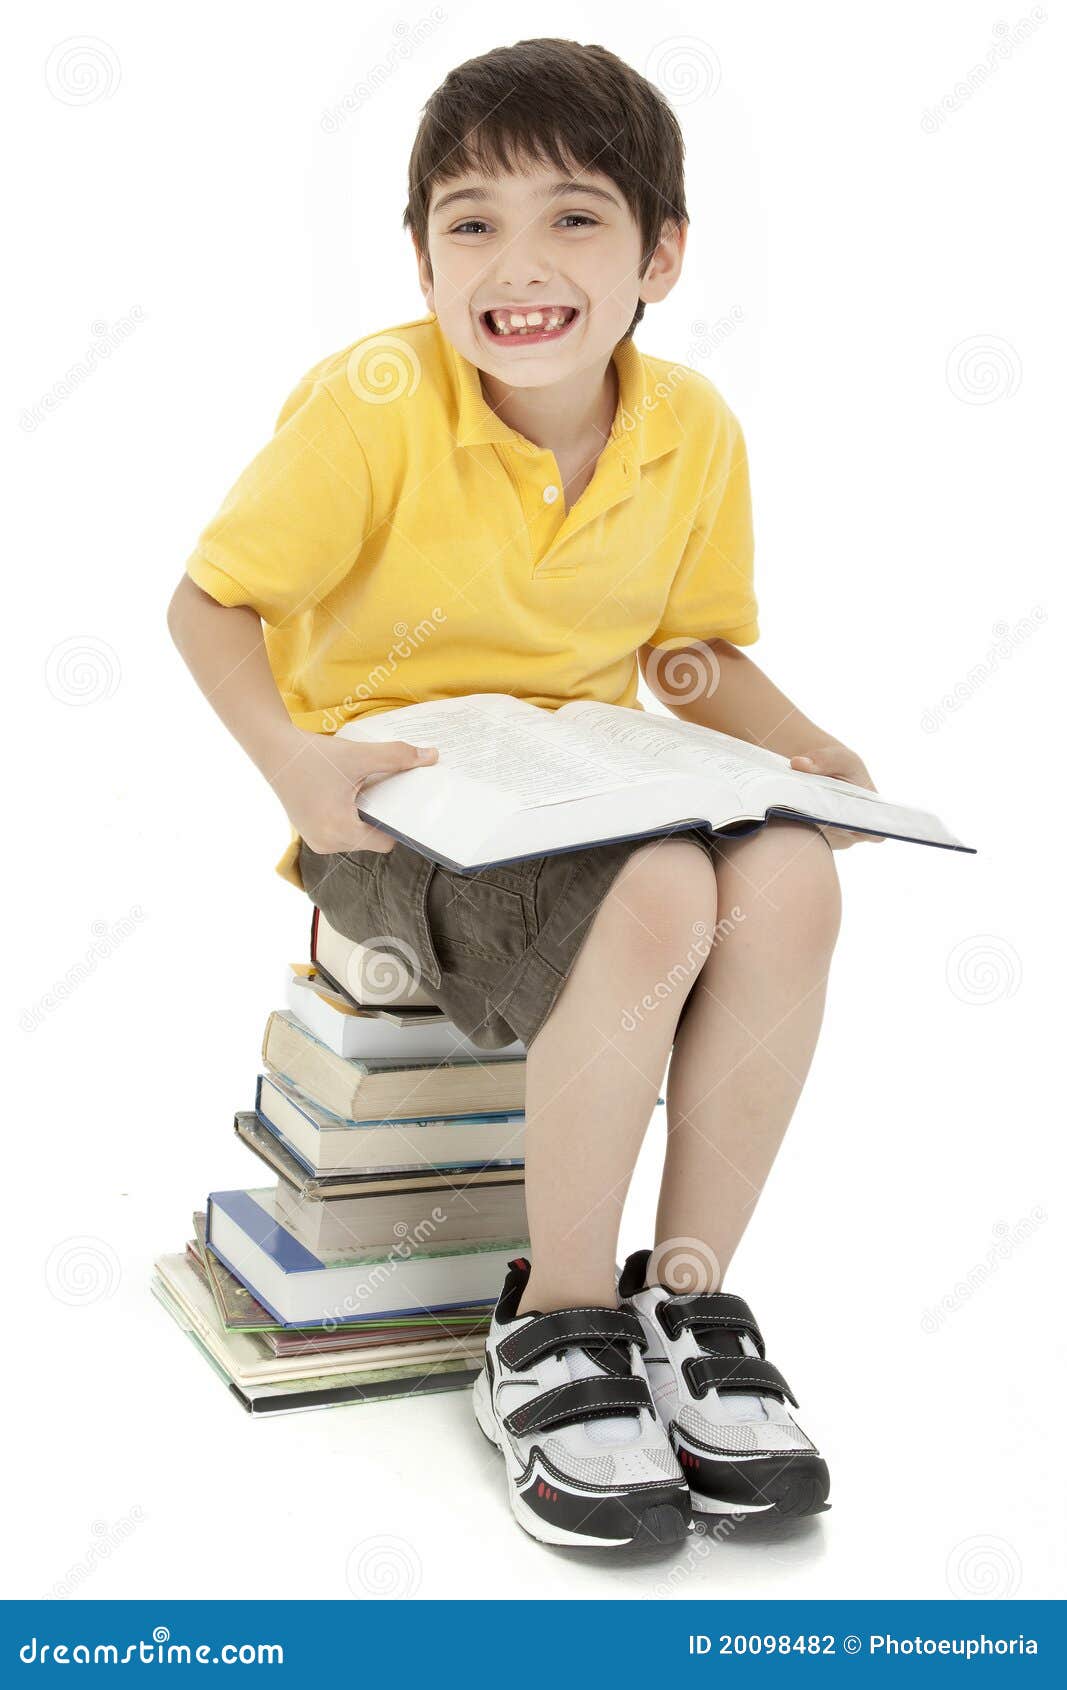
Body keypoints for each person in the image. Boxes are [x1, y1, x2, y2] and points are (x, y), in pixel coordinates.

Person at [168, 37, 877, 1552]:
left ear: (659, 257)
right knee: (666, 885)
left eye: (574, 217)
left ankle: (683, 1303)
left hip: (583, 791)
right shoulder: (374, 404)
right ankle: (551, 1321)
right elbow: (208, 604)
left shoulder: (689, 427)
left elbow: (686, 652)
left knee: (795, 868)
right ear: (423, 259)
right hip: (392, 811)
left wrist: (803, 745)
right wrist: (295, 762)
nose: (519, 263)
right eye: (472, 223)